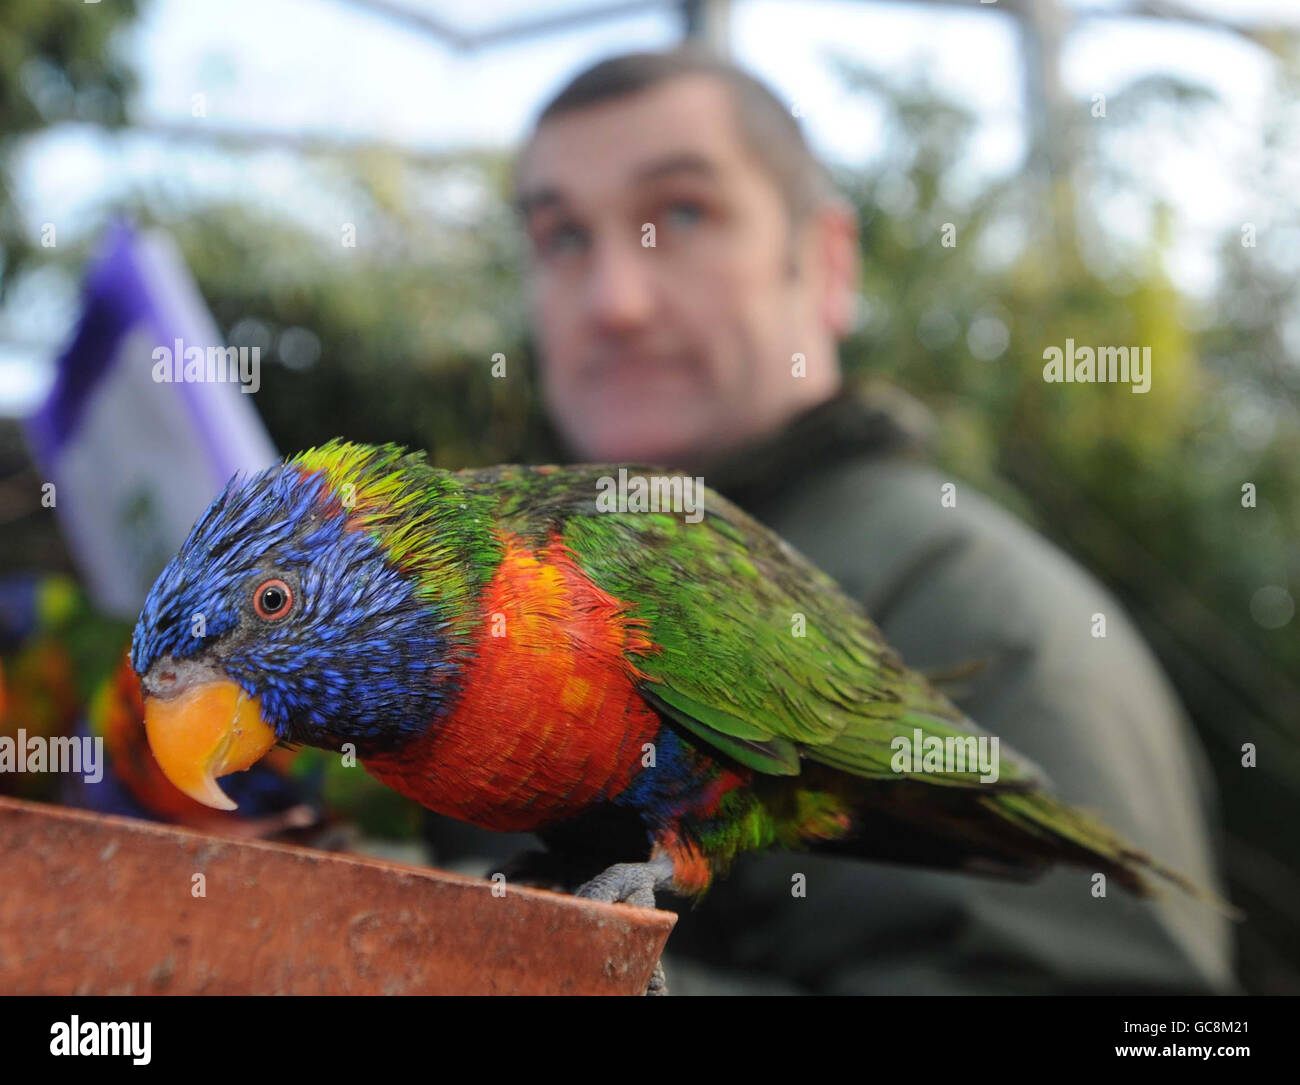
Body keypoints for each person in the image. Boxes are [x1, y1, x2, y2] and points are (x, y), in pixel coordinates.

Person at [491, 47, 1235, 993]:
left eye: (681, 214)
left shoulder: (995, 621)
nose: (615, 301)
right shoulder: (534, 588)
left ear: (829, 263)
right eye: (560, 238)